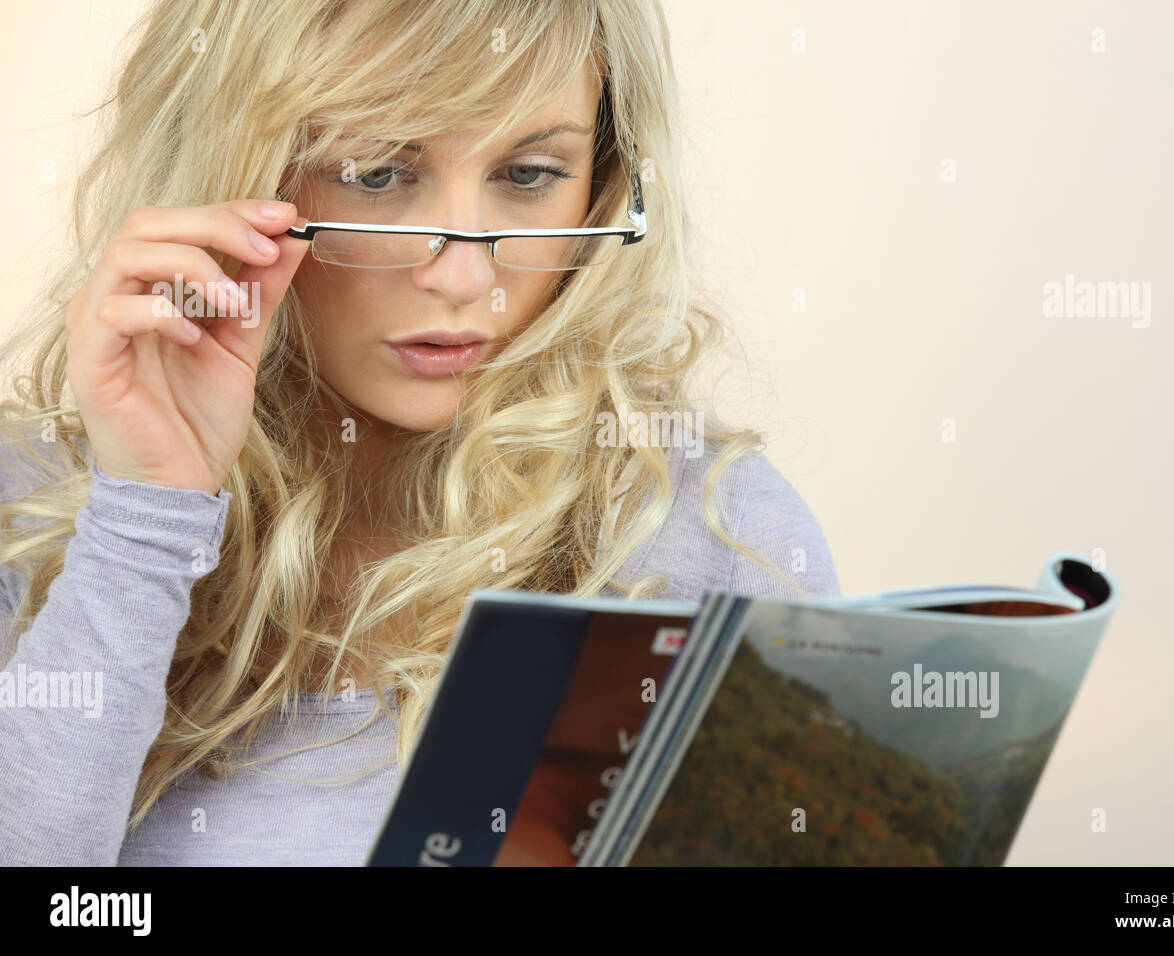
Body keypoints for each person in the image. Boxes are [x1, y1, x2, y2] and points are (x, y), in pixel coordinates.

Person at [0, 0, 839, 865]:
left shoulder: (712, 533)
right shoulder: (31, 517)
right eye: (375, 172)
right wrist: (145, 517)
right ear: (232, 171)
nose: (466, 275)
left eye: (528, 175)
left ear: (609, 177)